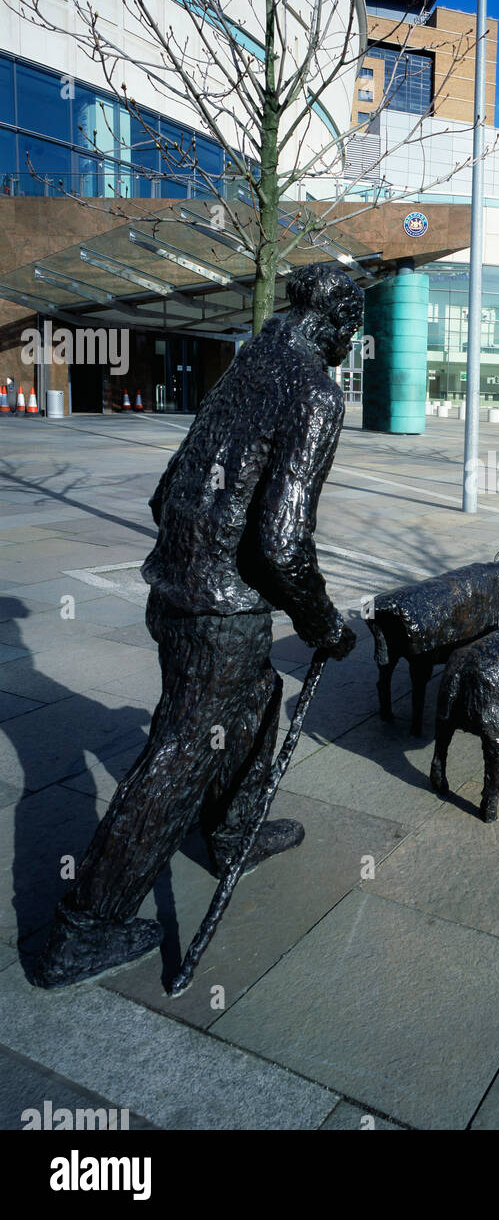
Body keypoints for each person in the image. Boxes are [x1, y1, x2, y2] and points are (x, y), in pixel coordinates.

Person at [32, 262, 363, 988]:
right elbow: (281, 542)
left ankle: (234, 830)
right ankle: (83, 928)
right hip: (219, 612)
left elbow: (166, 489)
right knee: (178, 758)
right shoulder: (313, 391)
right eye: (350, 337)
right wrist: (322, 622)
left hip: (177, 585)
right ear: (338, 327)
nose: (348, 352)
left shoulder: (251, 363)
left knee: (256, 703)